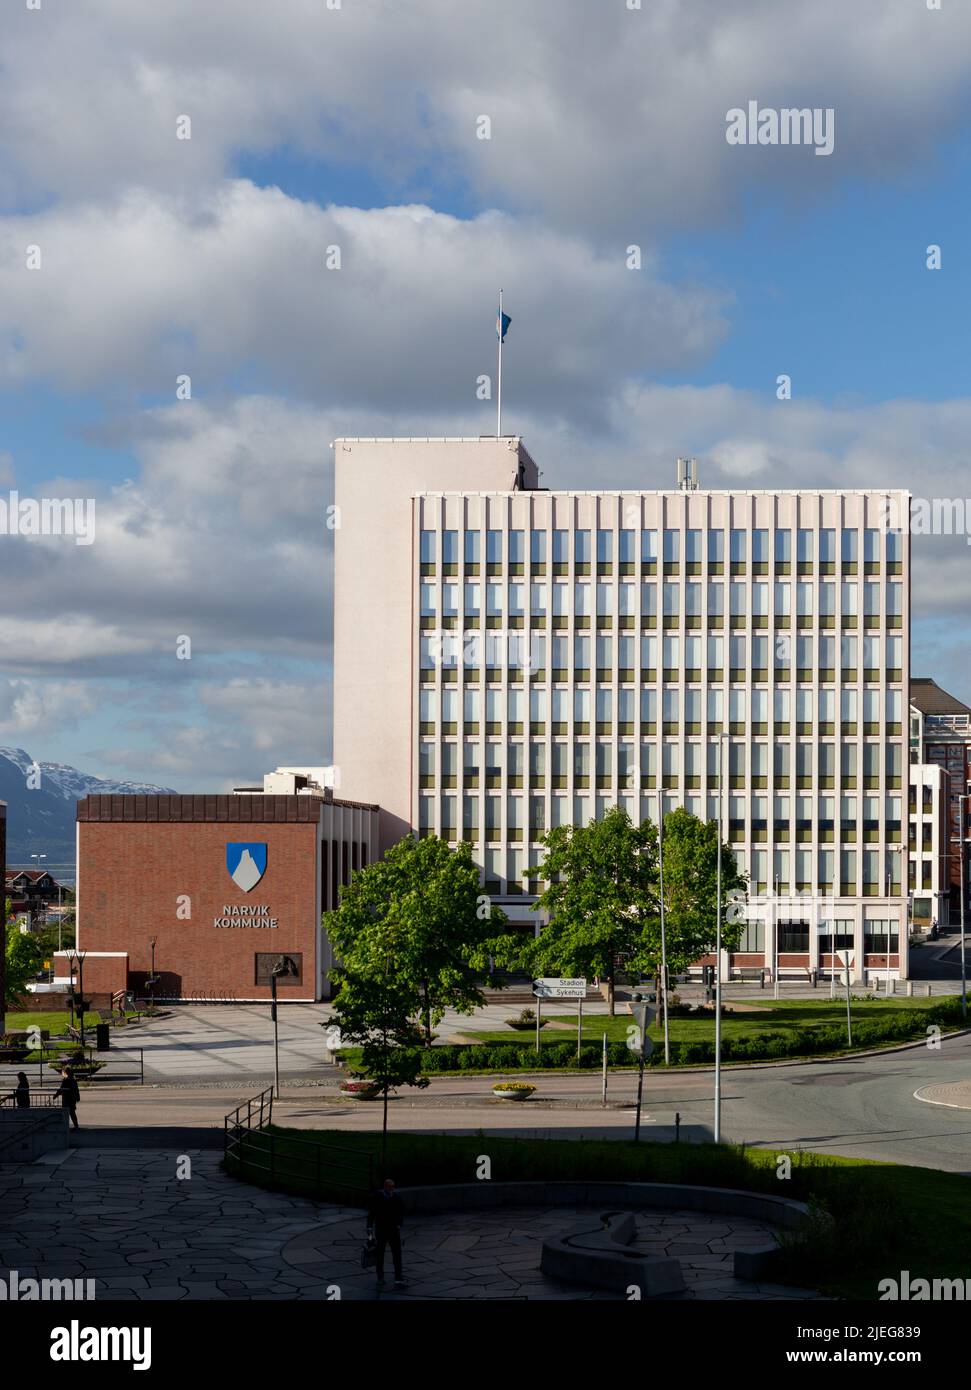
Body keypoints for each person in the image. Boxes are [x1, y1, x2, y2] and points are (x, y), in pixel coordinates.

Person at [367, 1177, 405, 1287]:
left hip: (393, 1229)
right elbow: (372, 1213)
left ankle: (398, 1277)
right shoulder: (377, 1198)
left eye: (392, 1187)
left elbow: (401, 1211)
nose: (391, 1189)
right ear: (385, 1187)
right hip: (382, 1229)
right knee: (380, 1254)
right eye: (389, 1187)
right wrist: (369, 1227)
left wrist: (398, 1224)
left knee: (397, 1254)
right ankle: (380, 1277)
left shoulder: (396, 1198)